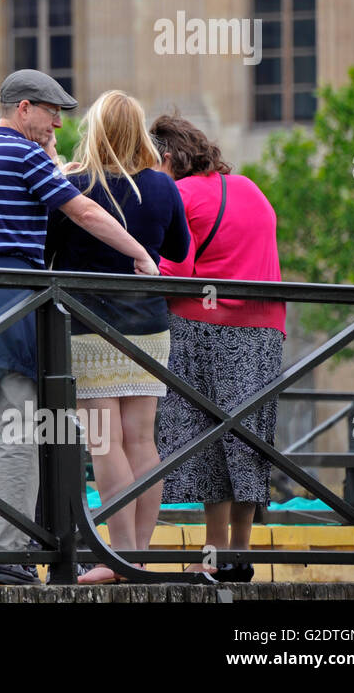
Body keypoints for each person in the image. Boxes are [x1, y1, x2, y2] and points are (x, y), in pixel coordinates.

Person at [0, 70, 160, 586]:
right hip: (7, 310)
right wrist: (138, 254)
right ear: (23, 108)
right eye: (52, 113)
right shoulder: (23, 154)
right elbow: (84, 211)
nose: (57, 125)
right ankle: (5, 558)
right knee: (16, 435)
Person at [44, 91, 190, 583]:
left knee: (105, 443)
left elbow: (48, 247)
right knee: (142, 441)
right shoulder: (163, 187)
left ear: (96, 128)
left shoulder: (75, 184)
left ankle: (119, 556)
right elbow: (178, 247)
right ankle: (141, 555)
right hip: (149, 324)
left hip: (90, 324)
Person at [150, 114, 286, 584]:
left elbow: (176, 271)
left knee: (209, 440)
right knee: (245, 439)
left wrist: (136, 268)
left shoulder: (181, 194)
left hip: (202, 328)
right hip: (266, 330)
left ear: (167, 158)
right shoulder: (249, 186)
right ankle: (240, 554)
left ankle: (211, 554)